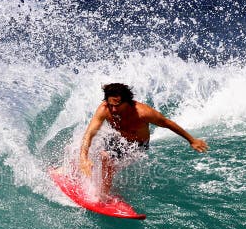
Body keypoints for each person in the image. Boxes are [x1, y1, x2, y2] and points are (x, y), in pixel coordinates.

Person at [79, 83, 208, 198]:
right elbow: (89, 134)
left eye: (117, 106)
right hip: (117, 139)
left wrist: (191, 140)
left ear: (127, 102)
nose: (113, 109)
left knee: (106, 159)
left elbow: (168, 123)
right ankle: (77, 170)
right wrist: (83, 158)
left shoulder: (143, 113)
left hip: (137, 145)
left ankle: (104, 196)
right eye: (110, 104)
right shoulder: (104, 109)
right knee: (92, 147)